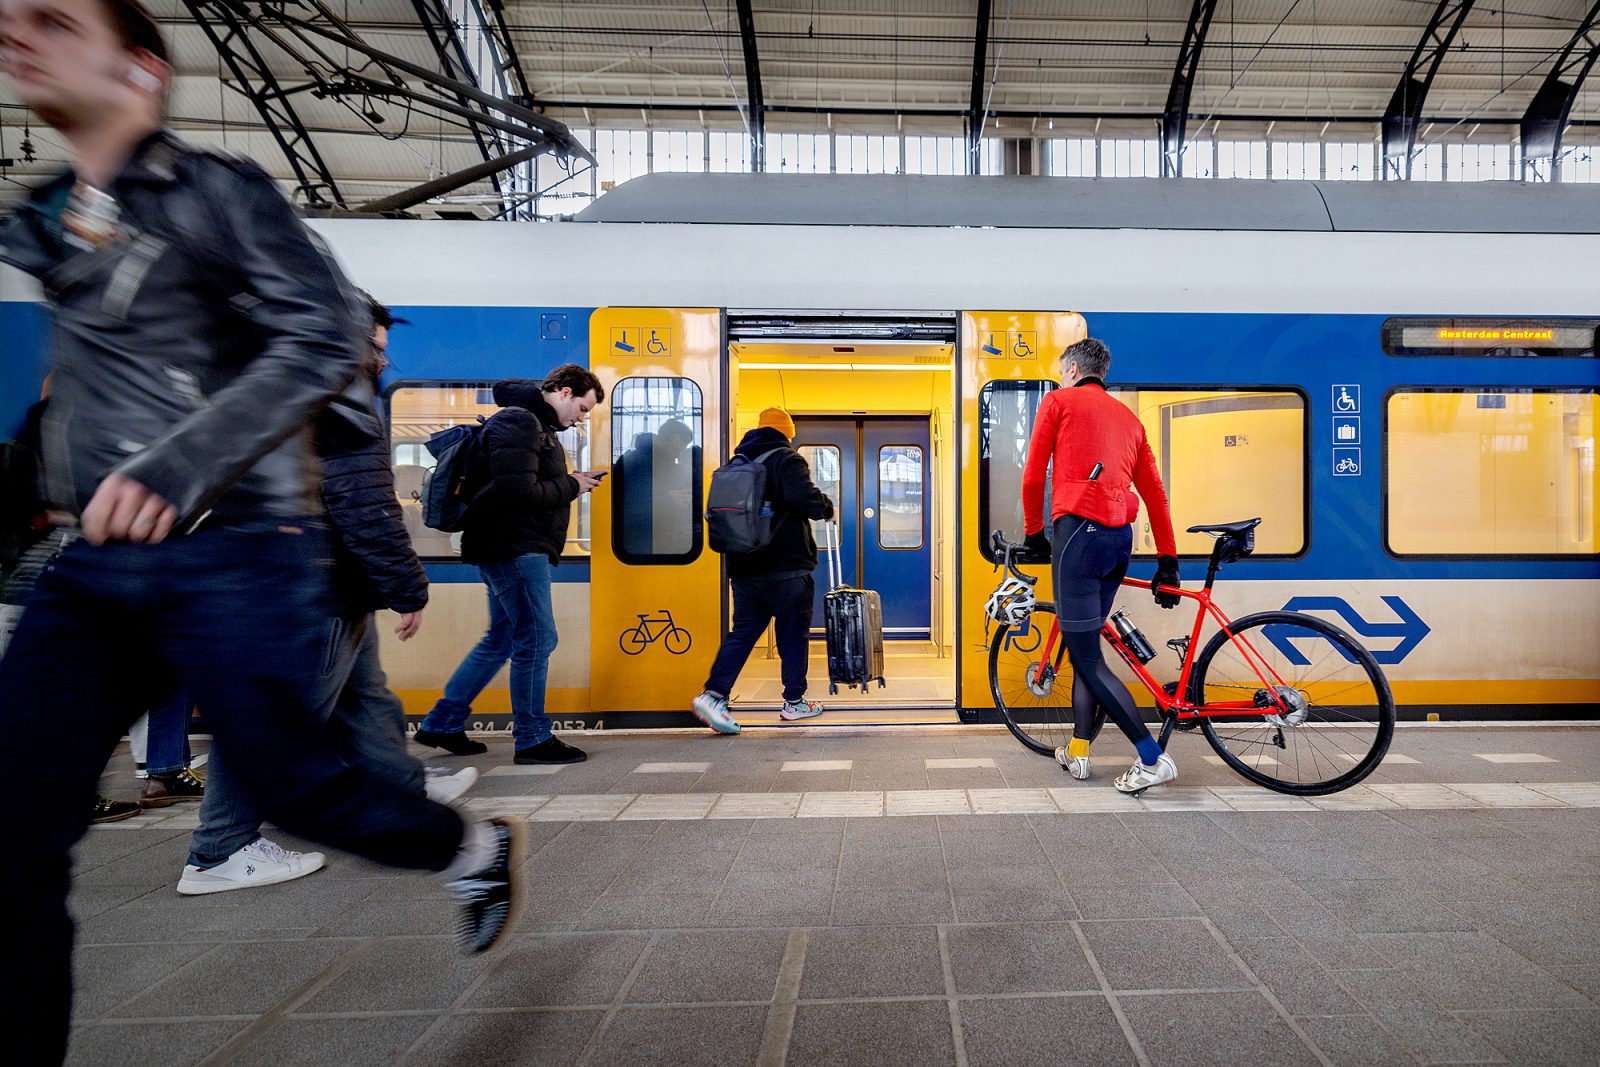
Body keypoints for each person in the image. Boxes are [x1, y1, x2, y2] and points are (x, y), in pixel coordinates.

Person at [0, 3, 521, 1057]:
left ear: (141, 69)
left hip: (235, 550)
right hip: (95, 565)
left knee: (301, 786)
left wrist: (179, 464)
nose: (19, 32)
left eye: (53, 19)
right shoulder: (51, 213)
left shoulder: (217, 193)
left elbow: (322, 335)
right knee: (10, 832)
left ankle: (469, 844)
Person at [179, 294, 476, 895]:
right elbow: (363, 502)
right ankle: (219, 849)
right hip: (316, 584)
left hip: (320, 580)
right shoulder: (335, 394)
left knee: (364, 699)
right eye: (375, 346)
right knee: (279, 725)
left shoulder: (282, 386)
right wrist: (407, 585)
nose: (379, 360)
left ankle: (402, 786)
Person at [415, 367, 605, 764]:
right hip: (514, 548)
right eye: (582, 408)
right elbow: (515, 492)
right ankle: (533, 738)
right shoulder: (519, 422)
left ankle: (442, 722)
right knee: (536, 639)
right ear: (564, 391)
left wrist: (572, 481)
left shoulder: (531, 423)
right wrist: (573, 485)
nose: (582, 418)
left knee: (501, 638)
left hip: (510, 546)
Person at [1020, 338, 1183, 794]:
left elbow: (1034, 475)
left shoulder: (1058, 401)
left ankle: (1152, 758)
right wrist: (1168, 560)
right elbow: (1155, 495)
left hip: (1077, 537)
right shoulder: (1131, 421)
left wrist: (1035, 534)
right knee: (1085, 647)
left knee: (1088, 658)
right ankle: (1078, 750)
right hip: (1118, 541)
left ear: (1072, 369)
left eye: (1059, 370)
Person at [691, 407, 835, 733]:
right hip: (786, 568)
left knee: (741, 634)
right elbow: (806, 499)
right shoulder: (786, 458)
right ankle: (795, 702)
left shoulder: (735, 463)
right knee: (792, 636)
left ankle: (713, 695)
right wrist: (828, 508)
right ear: (786, 432)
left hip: (743, 569)